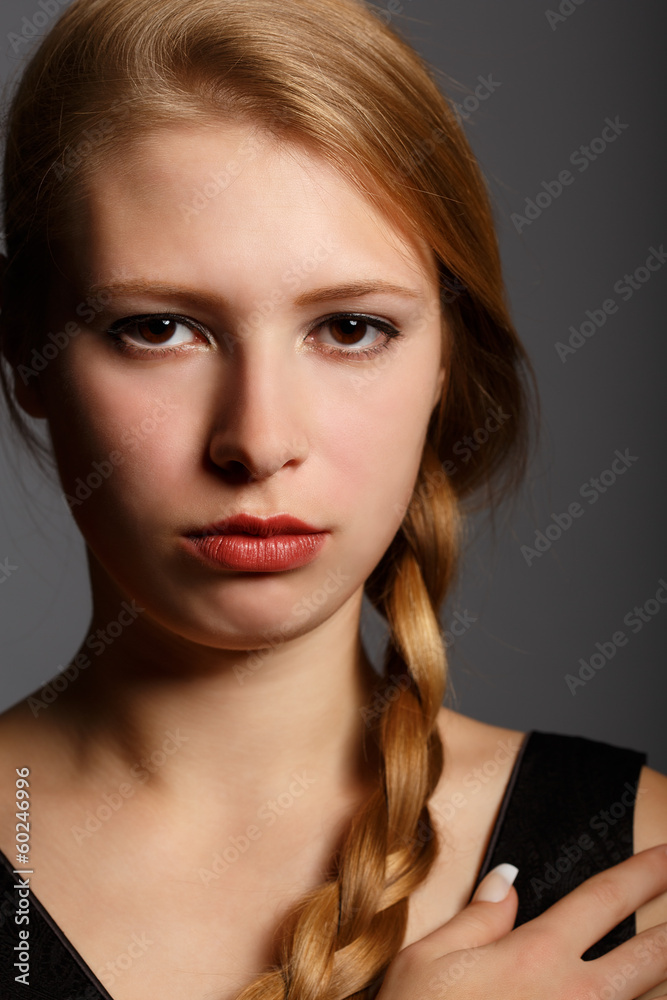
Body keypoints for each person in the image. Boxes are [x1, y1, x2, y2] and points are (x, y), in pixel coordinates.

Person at [0, 0, 665, 998]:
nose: (259, 441)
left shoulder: (630, 865)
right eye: (160, 328)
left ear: (446, 356)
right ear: (28, 348)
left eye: (350, 328)